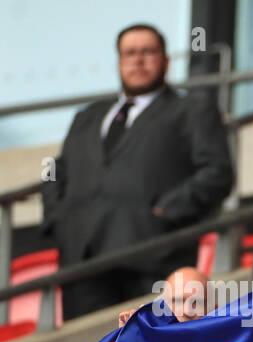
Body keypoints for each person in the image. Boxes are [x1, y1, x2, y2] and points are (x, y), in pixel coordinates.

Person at [42, 23, 233, 319]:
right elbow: (57, 169)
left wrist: (165, 211)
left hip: (154, 257)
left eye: (148, 52)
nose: (138, 60)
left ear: (166, 61)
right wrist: (59, 220)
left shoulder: (192, 110)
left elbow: (217, 171)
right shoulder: (86, 116)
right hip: (82, 262)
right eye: (130, 53)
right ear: (119, 61)